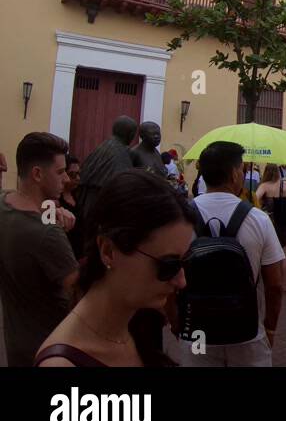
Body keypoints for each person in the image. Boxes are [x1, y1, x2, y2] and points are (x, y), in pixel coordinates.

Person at [35, 170, 196, 367]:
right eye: (168, 265)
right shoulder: (61, 364)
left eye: (184, 263)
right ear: (108, 251)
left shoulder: (139, 323)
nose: (181, 280)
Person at [182, 142, 285, 367]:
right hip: (247, 332)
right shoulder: (258, 219)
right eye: (242, 169)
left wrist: (175, 322)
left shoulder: (181, 217)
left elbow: (169, 277)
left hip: (199, 331)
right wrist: (269, 327)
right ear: (233, 174)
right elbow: (275, 285)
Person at [0, 133, 79, 367]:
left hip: (18, 347)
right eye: (60, 172)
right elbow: (80, 300)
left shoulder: (4, 203)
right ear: (37, 174)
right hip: (51, 351)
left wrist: (50, 212)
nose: (66, 179)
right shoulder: (48, 235)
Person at [75, 116, 137, 227]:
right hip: (99, 207)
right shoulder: (118, 153)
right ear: (130, 133)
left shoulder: (104, 147)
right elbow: (121, 185)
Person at [256, 163, 286, 293]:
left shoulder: (264, 186)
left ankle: (272, 283)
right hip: (285, 224)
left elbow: (255, 200)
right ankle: (284, 284)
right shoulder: (285, 185)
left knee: (270, 254)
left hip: (270, 223)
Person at [59, 155, 85, 258]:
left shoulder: (77, 195)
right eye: (72, 175)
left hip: (79, 252)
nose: (77, 178)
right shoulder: (56, 199)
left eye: (78, 174)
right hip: (65, 253)